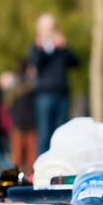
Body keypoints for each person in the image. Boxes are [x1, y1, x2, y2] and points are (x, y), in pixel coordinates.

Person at [28, 13, 79, 158]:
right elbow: (34, 65)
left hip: (62, 95)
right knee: (44, 134)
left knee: (61, 135)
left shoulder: (61, 49)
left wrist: (63, 48)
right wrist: (40, 48)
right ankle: (43, 170)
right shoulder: (36, 48)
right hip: (44, 96)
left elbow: (76, 63)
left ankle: (60, 167)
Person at [4, 63, 38, 169]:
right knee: (32, 154)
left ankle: (17, 177)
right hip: (32, 122)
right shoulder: (34, 86)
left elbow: (7, 104)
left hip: (18, 122)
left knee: (18, 154)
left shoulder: (13, 88)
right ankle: (32, 178)